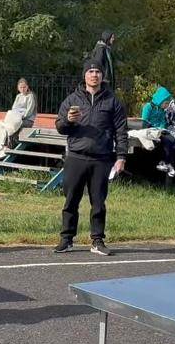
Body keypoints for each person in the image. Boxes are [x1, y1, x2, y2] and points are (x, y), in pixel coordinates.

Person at [54, 58, 128, 255]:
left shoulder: (113, 101)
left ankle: (97, 240)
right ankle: (66, 239)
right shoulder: (72, 99)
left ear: (102, 76)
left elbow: (121, 131)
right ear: (84, 75)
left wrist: (121, 157)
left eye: (98, 72)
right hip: (76, 156)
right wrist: (68, 121)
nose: (94, 75)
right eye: (90, 71)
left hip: (101, 159)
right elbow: (60, 126)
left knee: (98, 202)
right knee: (71, 200)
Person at [0, 77, 37, 157]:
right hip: (17, 118)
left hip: (27, 120)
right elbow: (14, 108)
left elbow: (30, 111)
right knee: (5, 126)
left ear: (27, 87)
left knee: (13, 126)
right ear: (18, 88)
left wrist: (21, 117)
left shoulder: (30, 96)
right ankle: (5, 145)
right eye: (21, 87)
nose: (23, 89)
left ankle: (9, 146)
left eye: (24, 87)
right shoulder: (18, 96)